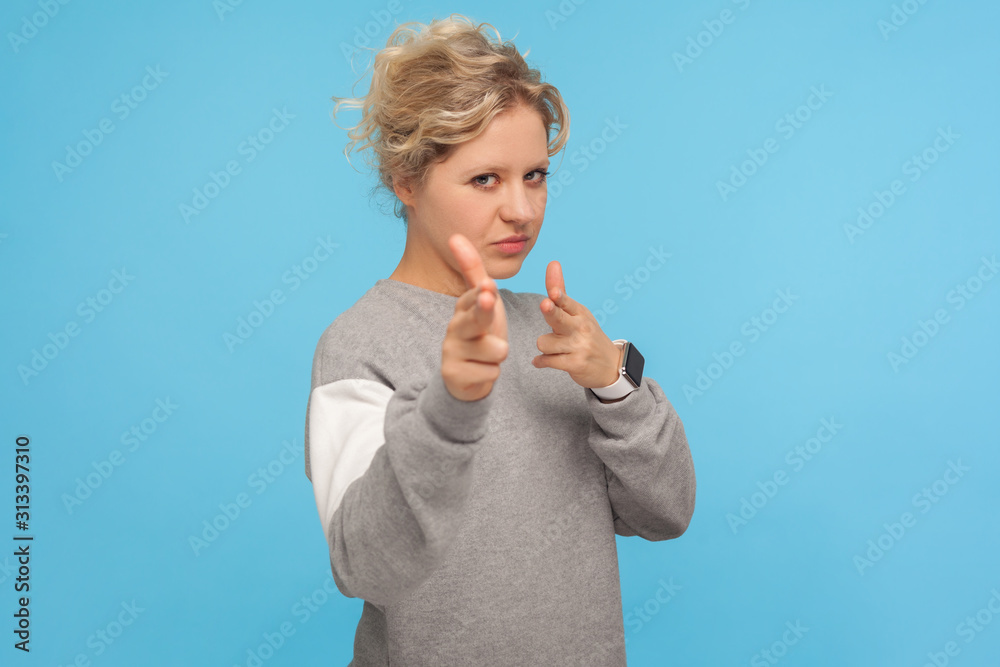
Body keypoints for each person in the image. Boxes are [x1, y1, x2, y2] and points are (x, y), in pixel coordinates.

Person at [304, 13, 696, 666]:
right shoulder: (356, 344)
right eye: (486, 179)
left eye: (535, 175)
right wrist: (449, 405)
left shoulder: (559, 330)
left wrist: (615, 382)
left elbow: (667, 513)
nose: (522, 208)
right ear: (406, 180)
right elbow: (364, 565)